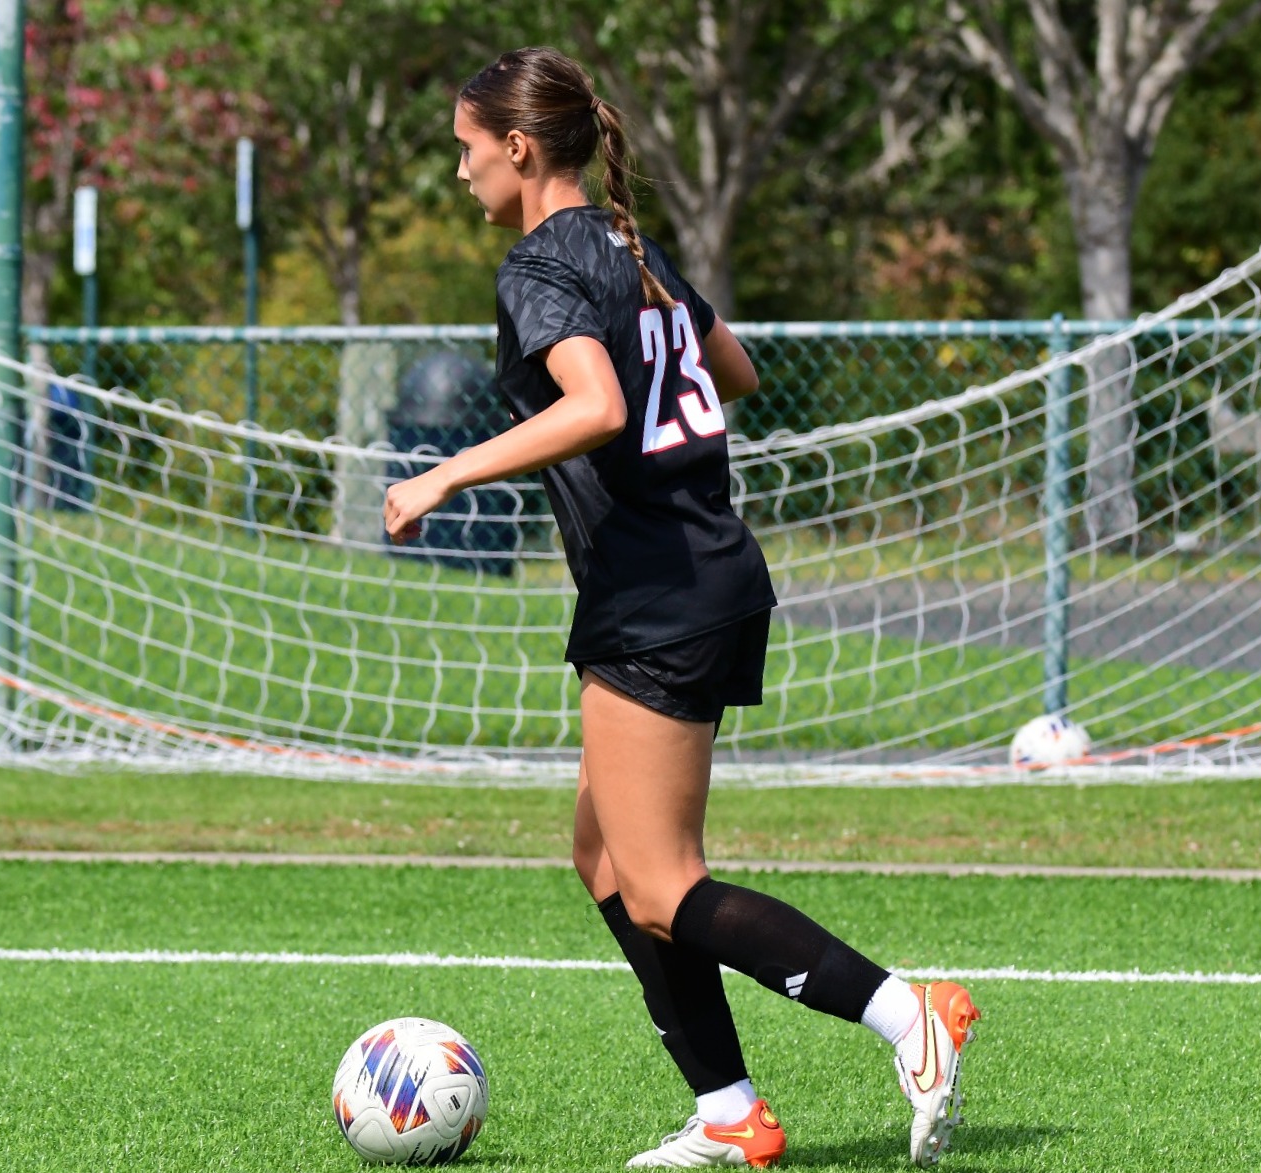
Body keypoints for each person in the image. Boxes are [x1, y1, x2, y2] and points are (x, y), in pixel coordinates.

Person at [383, 46, 980, 1169]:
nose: (459, 172)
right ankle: (728, 1115)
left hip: (658, 593)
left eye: (466, 149)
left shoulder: (538, 265)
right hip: (694, 574)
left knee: (662, 883)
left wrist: (448, 472)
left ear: (517, 148)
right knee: (605, 864)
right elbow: (733, 370)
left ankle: (908, 1014)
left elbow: (599, 404)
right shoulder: (626, 245)